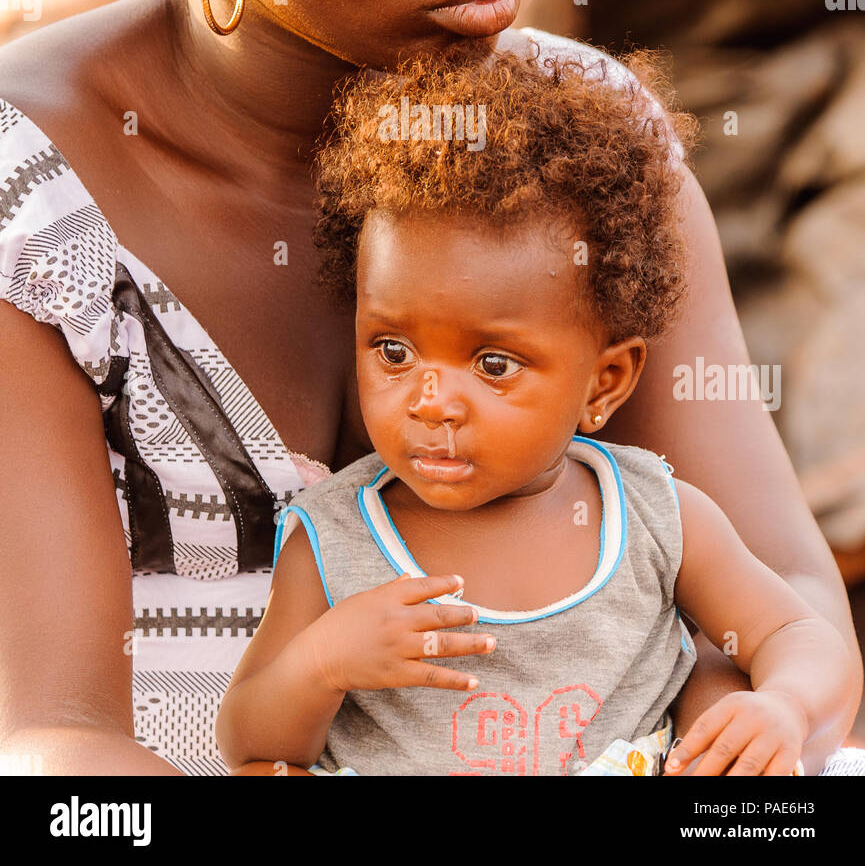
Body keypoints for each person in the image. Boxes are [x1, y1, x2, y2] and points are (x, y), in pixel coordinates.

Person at [0, 0, 859, 778]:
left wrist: (705, 739)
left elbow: (784, 600)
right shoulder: (34, 194)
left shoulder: (585, 142)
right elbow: (51, 746)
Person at [215, 50, 854, 777]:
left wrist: (785, 708)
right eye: (392, 351)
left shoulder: (652, 518)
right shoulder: (335, 540)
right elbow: (252, 746)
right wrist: (321, 663)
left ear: (603, 384)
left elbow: (795, 633)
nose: (430, 401)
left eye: (493, 365)